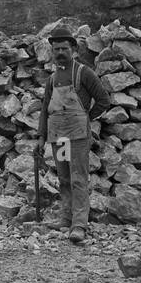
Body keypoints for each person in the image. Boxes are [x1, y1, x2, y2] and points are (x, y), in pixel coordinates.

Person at [37, 29, 112, 244]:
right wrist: (41, 137)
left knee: (78, 178)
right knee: (64, 178)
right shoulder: (52, 79)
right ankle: (66, 217)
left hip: (78, 135)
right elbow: (44, 109)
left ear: (74, 50)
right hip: (58, 135)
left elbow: (103, 101)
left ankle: (79, 225)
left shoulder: (83, 73)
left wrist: (86, 117)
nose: (60, 52)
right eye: (56, 49)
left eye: (64, 49)